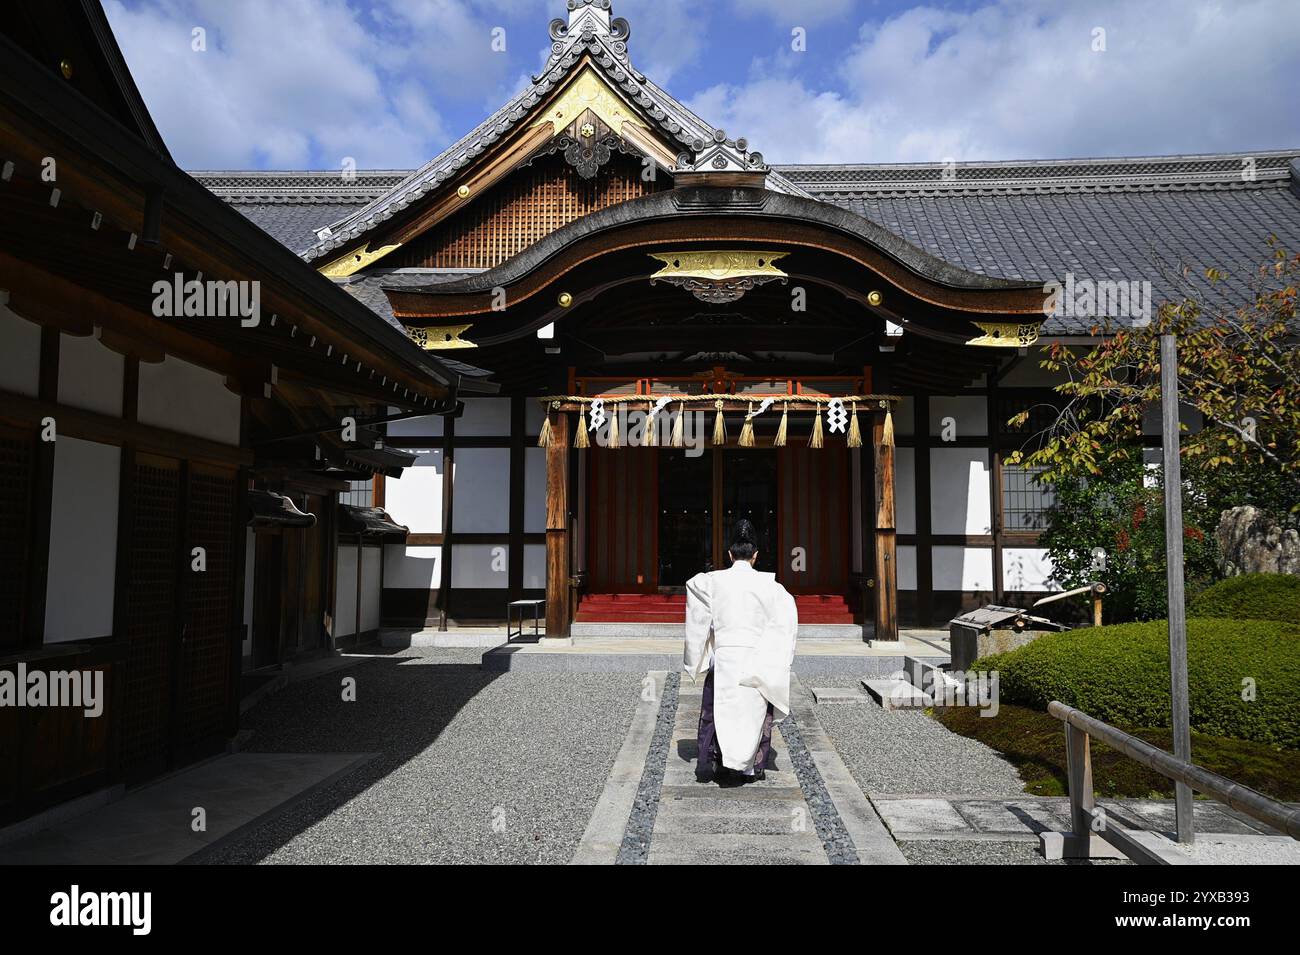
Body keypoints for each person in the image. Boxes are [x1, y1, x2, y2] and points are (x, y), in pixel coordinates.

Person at [684, 519, 798, 784]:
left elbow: (693, 588)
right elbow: (785, 624)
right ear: (756, 556)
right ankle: (751, 766)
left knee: (719, 710)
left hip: (724, 657)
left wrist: (701, 651)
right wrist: (776, 656)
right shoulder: (773, 588)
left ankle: (718, 762)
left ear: (729, 554)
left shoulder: (712, 581)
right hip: (757, 659)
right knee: (754, 711)